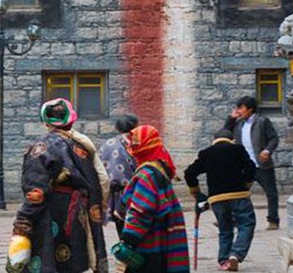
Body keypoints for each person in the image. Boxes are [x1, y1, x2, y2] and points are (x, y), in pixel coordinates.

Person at [10, 98, 107, 273]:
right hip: (79, 214)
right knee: (72, 263)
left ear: (46, 122)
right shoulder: (82, 147)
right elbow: (100, 181)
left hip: (52, 212)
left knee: (49, 260)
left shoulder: (41, 147)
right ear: (71, 121)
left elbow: (36, 191)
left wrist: (24, 220)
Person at [113, 125, 189, 273]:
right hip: (161, 234)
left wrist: (128, 239)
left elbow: (142, 210)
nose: (131, 146)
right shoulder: (159, 167)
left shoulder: (147, 174)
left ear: (146, 144)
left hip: (150, 239)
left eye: (135, 142)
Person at [184, 129, 257, 271]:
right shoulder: (238, 149)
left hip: (217, 198)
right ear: (232, 140)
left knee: (225, 229)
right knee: (246, 224)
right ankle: (236, 253)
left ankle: (224, 260)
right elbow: (251, 168)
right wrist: (247, 184)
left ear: (214, 139)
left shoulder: (206, 153)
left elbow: (189, 173)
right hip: (238, 195)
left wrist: (196, 192)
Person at [223, 96, 280, 230]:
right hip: (244, 165)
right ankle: (233, 220)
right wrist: (231, 118)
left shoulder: (262, 121)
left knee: (271, 193)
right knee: (237, 193)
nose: (239, 111)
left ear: (250, 109)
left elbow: (273, 139)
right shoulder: (238, 123)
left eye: (241, 108)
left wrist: (267, 151)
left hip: (261, 164)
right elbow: (224, 133)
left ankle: (273, 220)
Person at [98, 114, 139, 237]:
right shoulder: (138, 143)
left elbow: (99, 167)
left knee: (121, 228)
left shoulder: (108, 144)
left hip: (116, 195)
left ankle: (125, 250)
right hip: (137, 193)